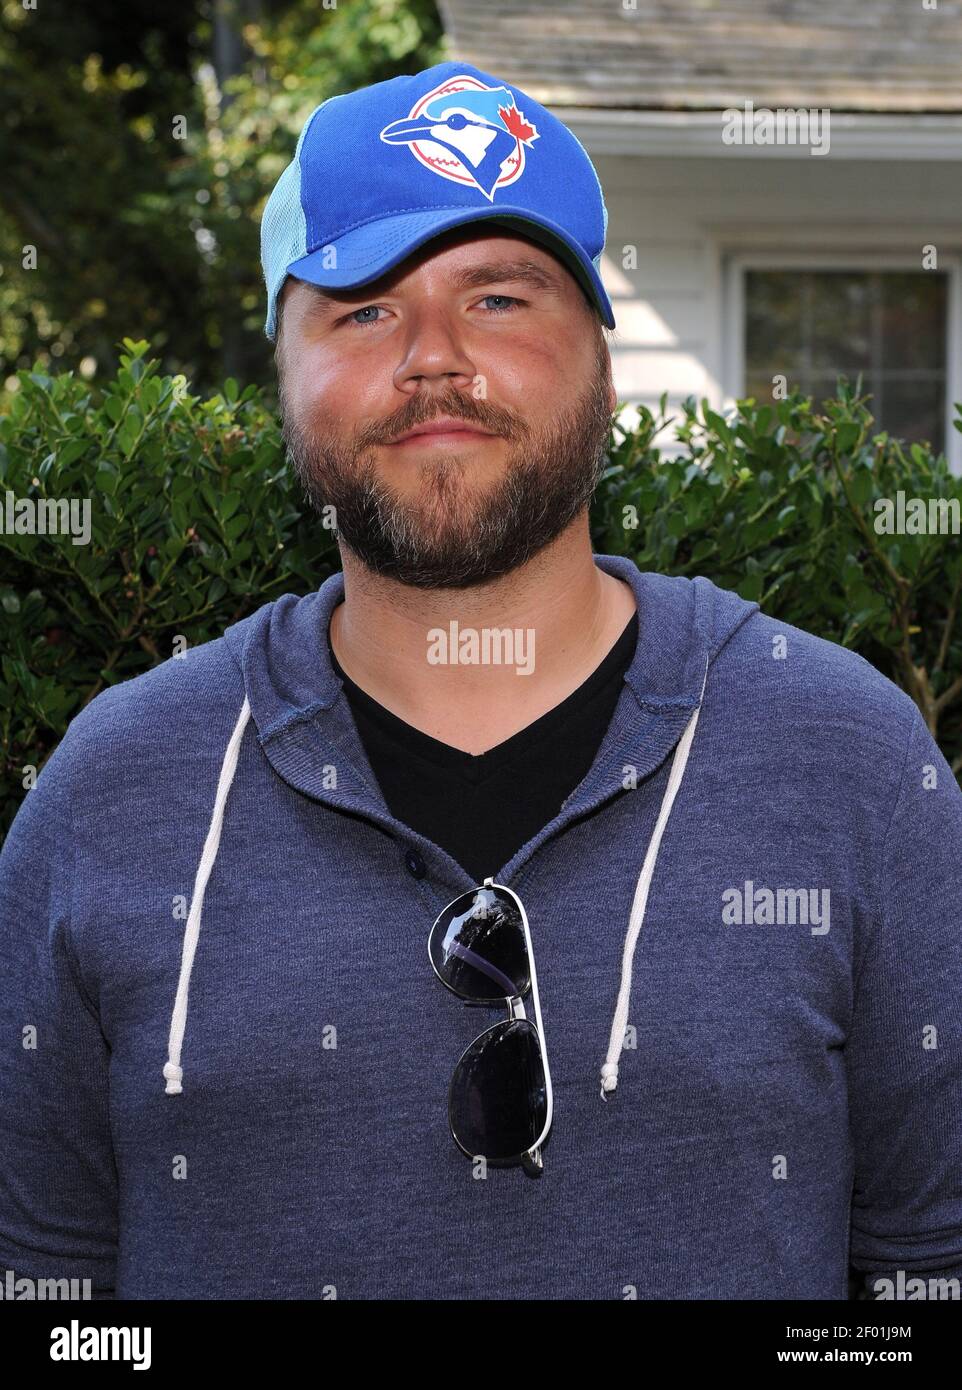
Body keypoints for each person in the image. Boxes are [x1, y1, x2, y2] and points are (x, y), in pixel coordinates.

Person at [1, 59, 960, 1301]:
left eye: (498, 298)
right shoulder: (112, 787)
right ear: (281, 381)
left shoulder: (854, 768)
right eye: (360, 310)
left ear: (604, 369)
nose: (433, 358)